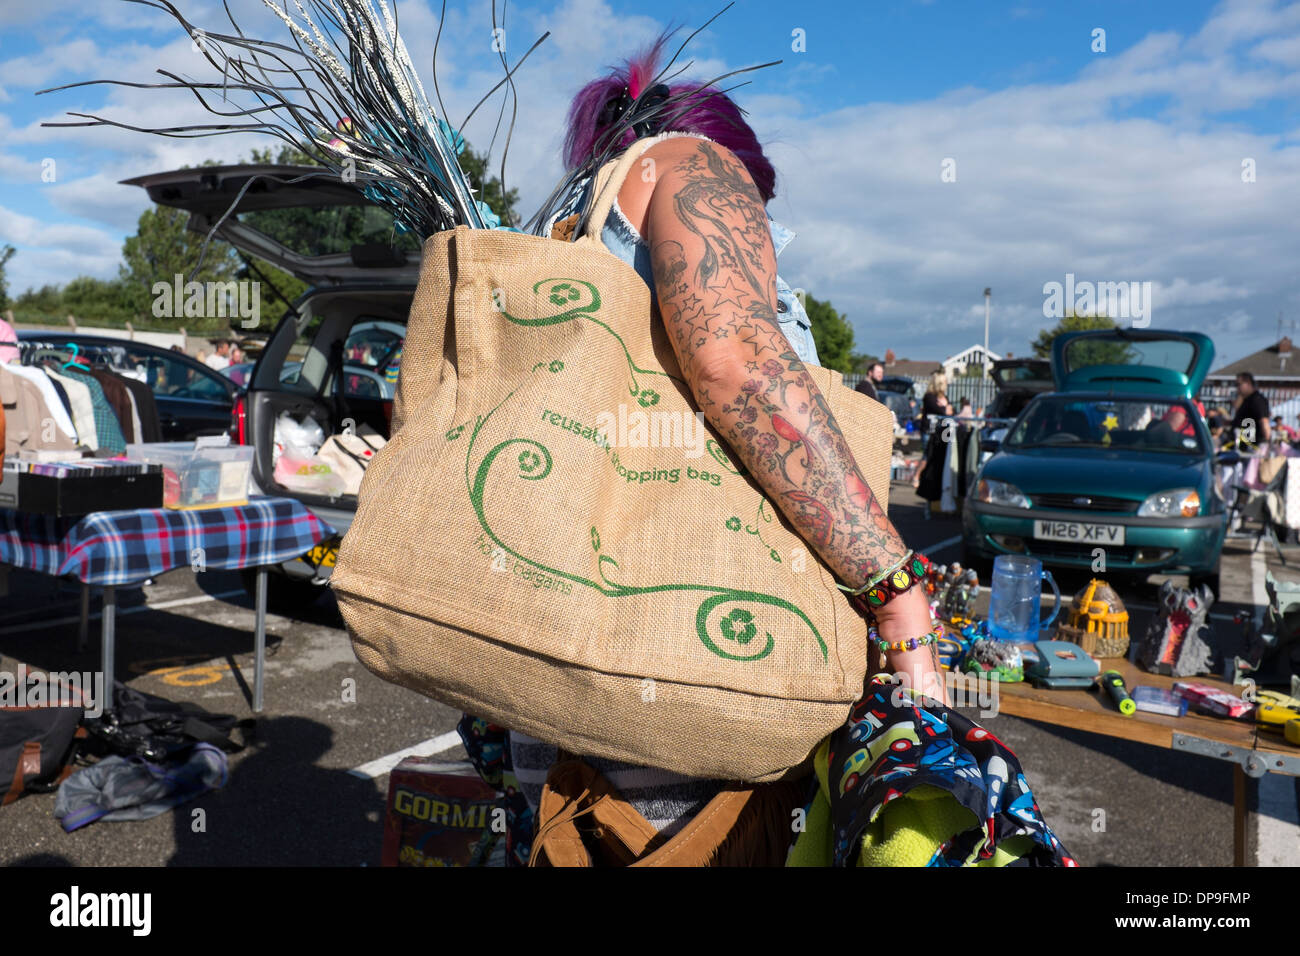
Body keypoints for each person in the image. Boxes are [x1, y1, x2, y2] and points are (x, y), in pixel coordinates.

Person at [497, 35, 948, 857]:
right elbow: (735, 360)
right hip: (687, 682)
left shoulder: (560, 229)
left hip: (564, 690)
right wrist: (897, 593)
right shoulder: (691, 164)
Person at [1230, 371, 1270, 445]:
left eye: (1239, 384)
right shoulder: (1246, 400)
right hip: (1242, 442)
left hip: (1252, 445)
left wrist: (1267, 442)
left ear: (1248, 383)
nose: (1237, 388)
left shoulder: (1257, 400)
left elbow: (1264, 421)